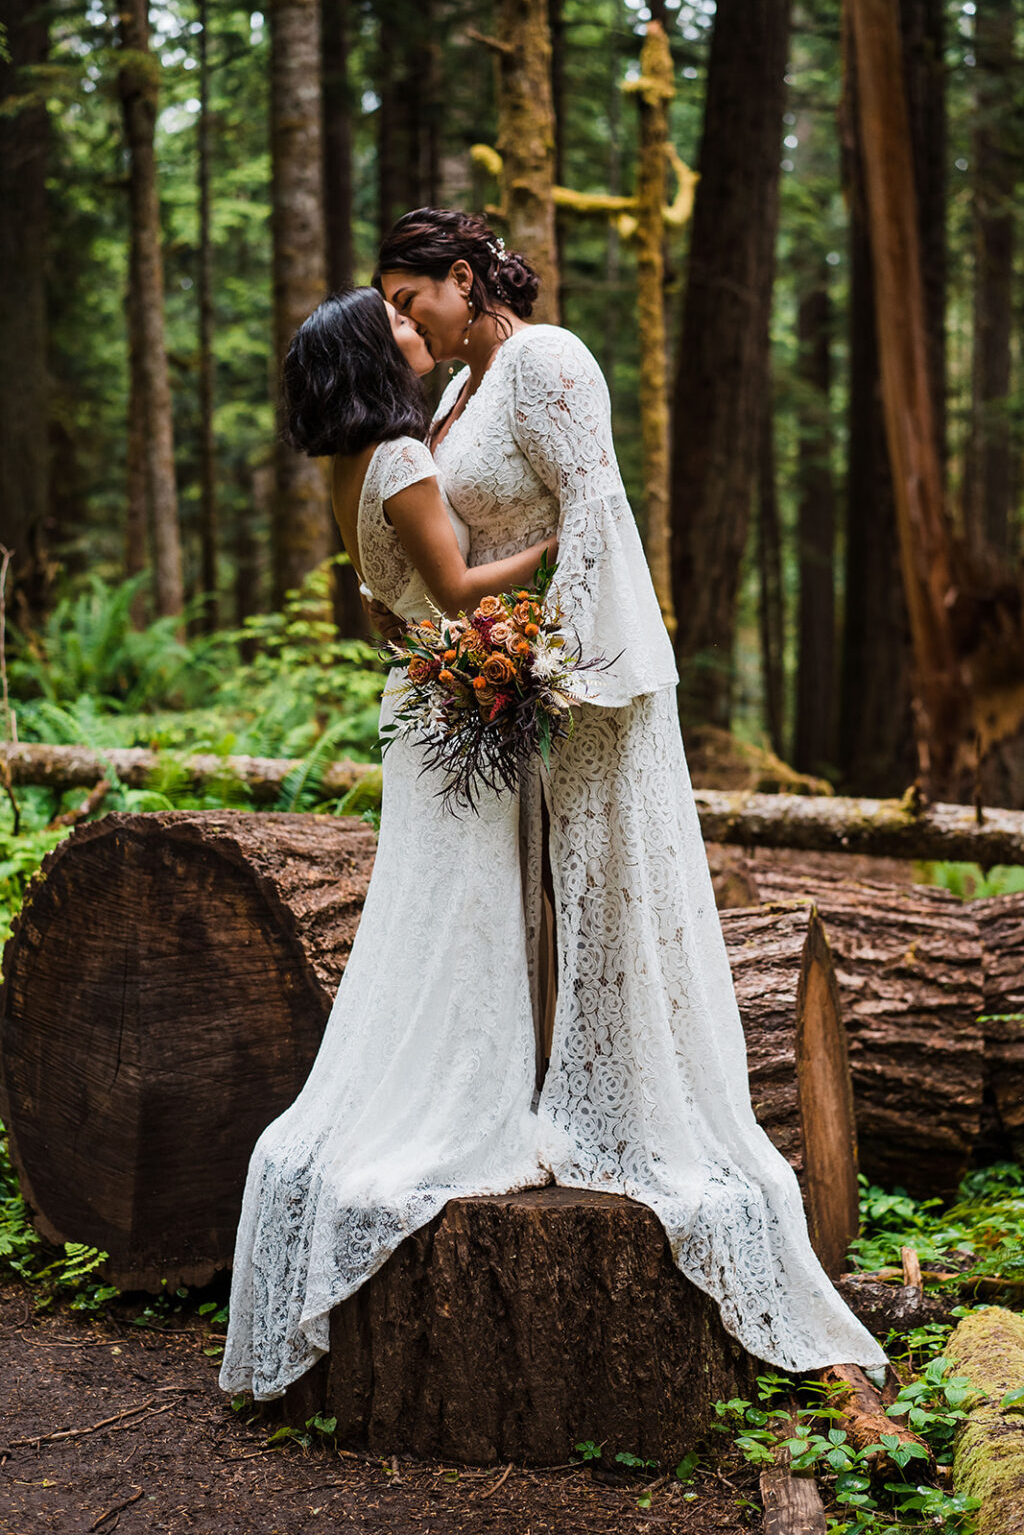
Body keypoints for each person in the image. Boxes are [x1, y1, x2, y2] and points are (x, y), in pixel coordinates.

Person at [376, 207, 888, 1377]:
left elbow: (595, 515)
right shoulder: (454, 397)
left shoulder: (546, 361)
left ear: (464, 278)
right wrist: (476, 661)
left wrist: (561, 671)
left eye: (412, 300)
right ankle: (529, 1109)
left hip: (582, 682)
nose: (403, 324)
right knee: (523, 908)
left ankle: (624, 1116)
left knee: (600, 893)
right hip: (506, 684)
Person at [219, 287, 557, 1401]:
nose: (417, 329)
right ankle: (461, 1102)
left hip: (416, 696)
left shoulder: (347, 464)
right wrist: (556, 546)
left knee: (436, 905)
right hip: (446, 700)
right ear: (374, 354)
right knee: (462, 906)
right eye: (398, 322)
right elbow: (453, 588)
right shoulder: (403, 456)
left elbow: (390, 597)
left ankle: (465, 1080)